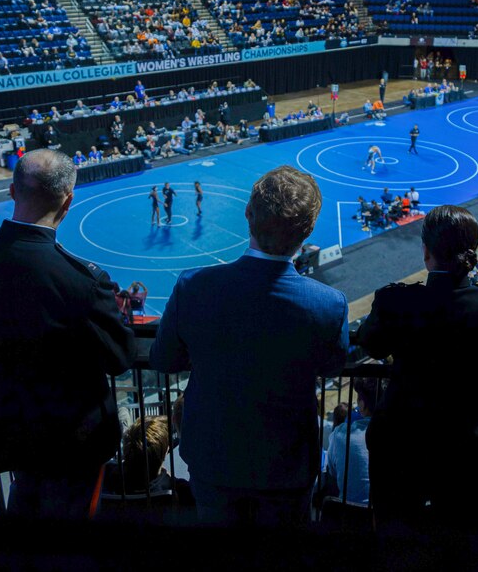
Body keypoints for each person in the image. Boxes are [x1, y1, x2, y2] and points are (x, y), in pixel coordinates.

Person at [0, 149, 137, 519]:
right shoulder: (82, 280)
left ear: (13, 191)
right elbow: (120, 357)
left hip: (4, 428)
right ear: (68, 201)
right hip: (71, 438)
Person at [149, 166, 349, 526]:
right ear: (307, 231)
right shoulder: (328, 304)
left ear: (248, 214)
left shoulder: (194, 287)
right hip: (287, 464)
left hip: (214, 457)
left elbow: (164, 359)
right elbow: (332, 366)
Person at [359, 206, 478, 530]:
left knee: (393, 532)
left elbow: (371, 344)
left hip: (401, 440)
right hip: (468, 443)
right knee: (459, 536)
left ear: (426, 252)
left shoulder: (395, 302)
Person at [324, 377, 377, 505]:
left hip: (348, 513)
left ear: (362, 404)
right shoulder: (398, 434)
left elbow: (332, 472)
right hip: (386, 514)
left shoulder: (340, 433)